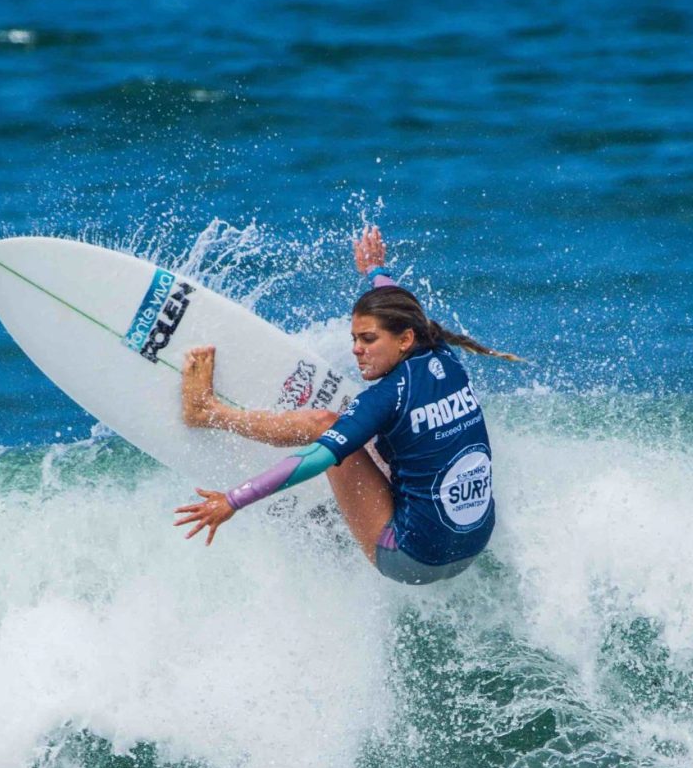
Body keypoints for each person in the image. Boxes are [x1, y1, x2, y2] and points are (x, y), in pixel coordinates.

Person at [171, 227, 517, 585]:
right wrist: (375, 270)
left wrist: (233, 500)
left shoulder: (386, 397)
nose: (356, 349)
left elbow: (315, 458)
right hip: (474, 541)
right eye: (354, 339)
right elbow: (402, 310)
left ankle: (206, 411)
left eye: (368, 339)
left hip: (409, 558)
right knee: (392, 439)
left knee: (327, 425)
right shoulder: (444, 355)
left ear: (404, 340)